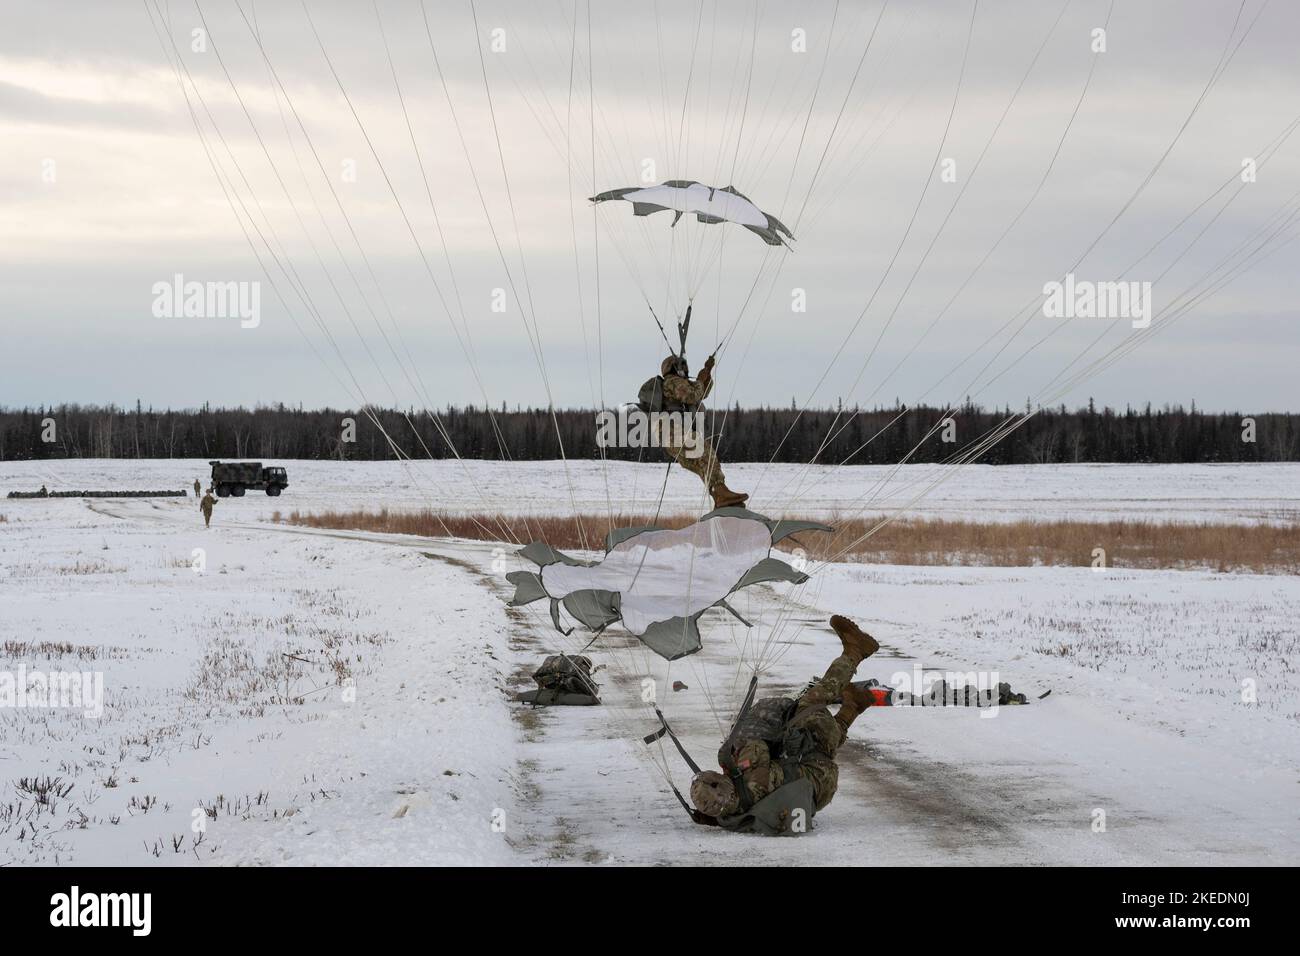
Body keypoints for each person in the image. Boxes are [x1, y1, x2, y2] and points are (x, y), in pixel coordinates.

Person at [689, 615, 880, 822]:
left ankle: (853, 707)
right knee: (809, 705)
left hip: (819, 792)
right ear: (720, 786)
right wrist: (732, 754)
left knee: (813, 741)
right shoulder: (751, 775)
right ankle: (855, 651)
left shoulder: (732, 812)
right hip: (816, 772)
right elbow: (756, 742)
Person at [652, 353, 748, 509]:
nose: (685, 368)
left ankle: (719, 495)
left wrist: (706, 373)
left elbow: (700, 393)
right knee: (704, 452)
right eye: (682, 365)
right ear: (674, 368)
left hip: (671, 433)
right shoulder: (672, 382)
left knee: (701, 462)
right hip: (671, 430)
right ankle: (720, 492)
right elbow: (692, 396)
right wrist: (698, 381)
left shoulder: (679, 383)